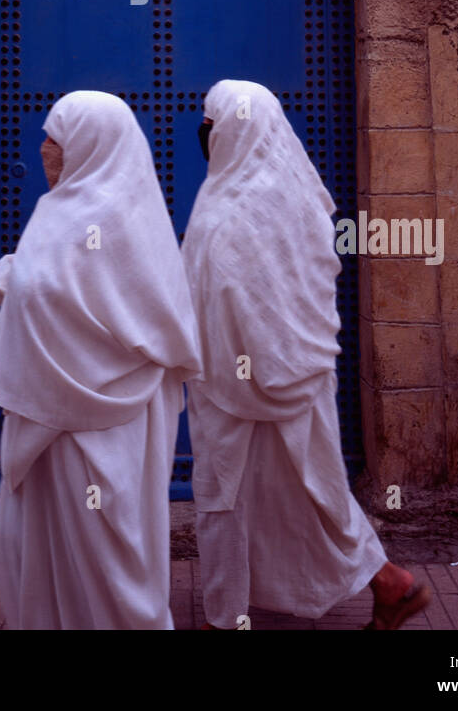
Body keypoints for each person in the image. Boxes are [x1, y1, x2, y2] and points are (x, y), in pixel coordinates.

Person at [183, 79, 431, 631]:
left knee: (222, 494)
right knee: (316, 487)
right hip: (301, 371)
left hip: (230, 379)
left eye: (212, 121)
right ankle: (391, 582)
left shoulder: (225, 205)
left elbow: (219, 292)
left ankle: (224, 620)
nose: (205, 131)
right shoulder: (304, 196)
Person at [0, 90, 202, 630]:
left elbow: (128, 314)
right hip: (60, 420)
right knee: (52, 540)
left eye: (55, 137)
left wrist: (17, 280)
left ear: (87, 144)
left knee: (108, 546)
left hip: (103, 425)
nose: (44, 149)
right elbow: (72, 295)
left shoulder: (111, 216)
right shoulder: (65, 210)